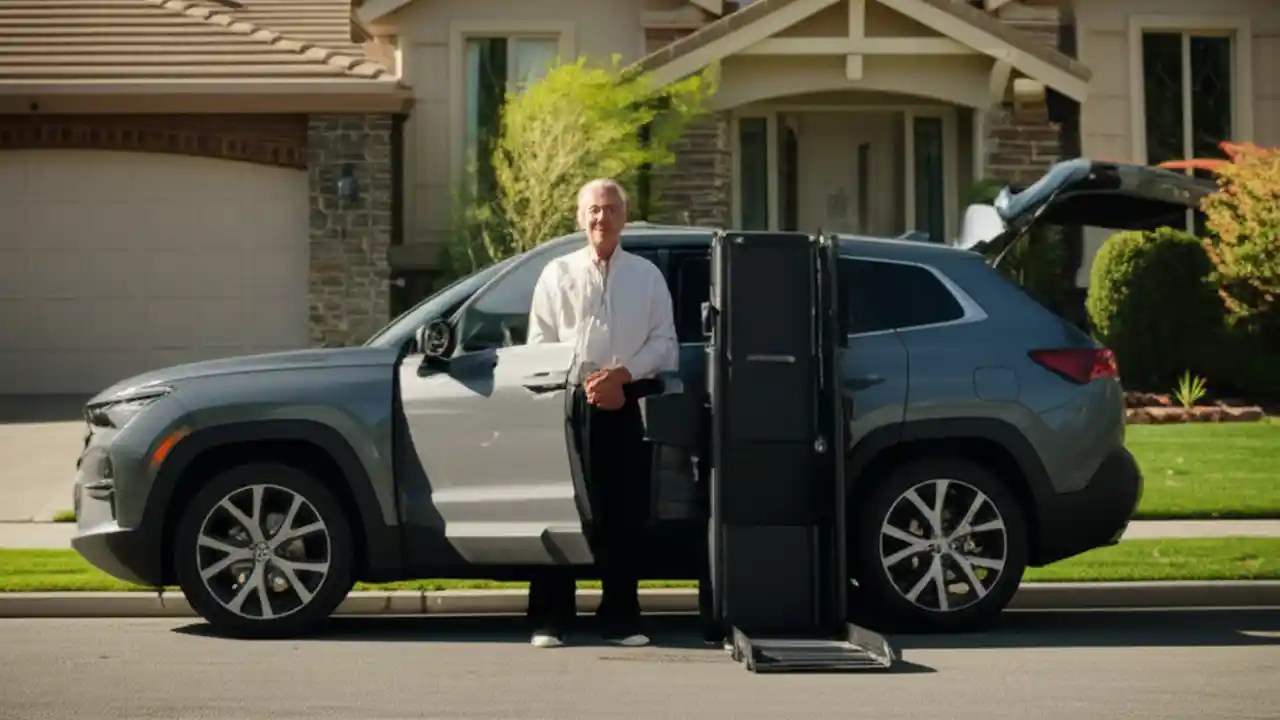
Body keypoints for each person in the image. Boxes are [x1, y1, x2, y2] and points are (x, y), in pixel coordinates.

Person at [523, 178, 679, 648]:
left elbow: (664, 343)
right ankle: (551, 617)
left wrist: (621, 378)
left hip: (627, 400)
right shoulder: (556, 273)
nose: (601, 218)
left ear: (623, 217)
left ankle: (621, 616)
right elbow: (539, 342)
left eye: (610, 210)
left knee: (622, 509)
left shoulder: (647, 277)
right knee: (561, 504)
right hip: (567, 403)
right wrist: (581, 381)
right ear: (579, 218)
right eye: (592, 210)